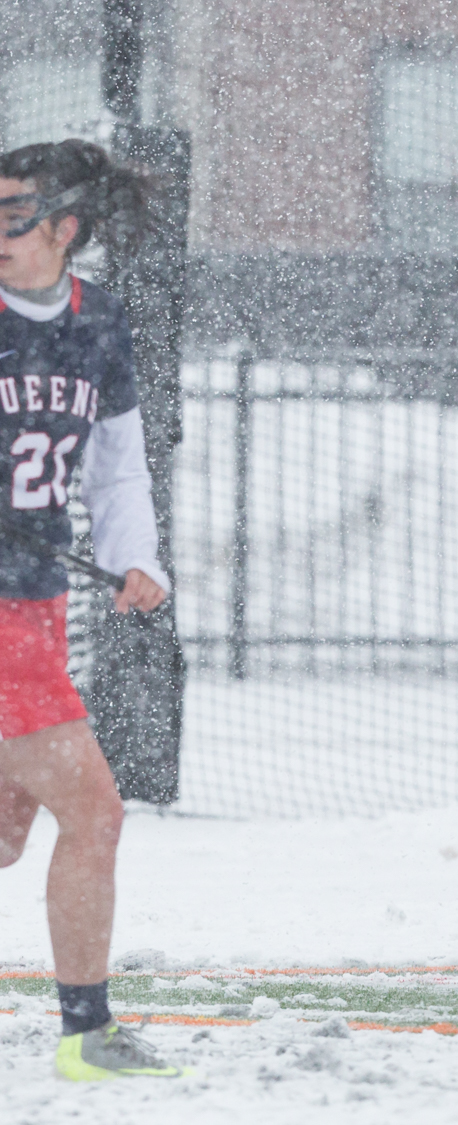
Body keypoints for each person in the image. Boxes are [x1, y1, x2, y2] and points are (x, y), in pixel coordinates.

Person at [0, 139, 179, 1079]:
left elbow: (115, 469)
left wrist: (133, 558)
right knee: (96, 812)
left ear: (65, 227)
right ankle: (87, 1034)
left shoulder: (98, 322)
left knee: (6, 835)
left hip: (35, 606)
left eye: (13, 214)